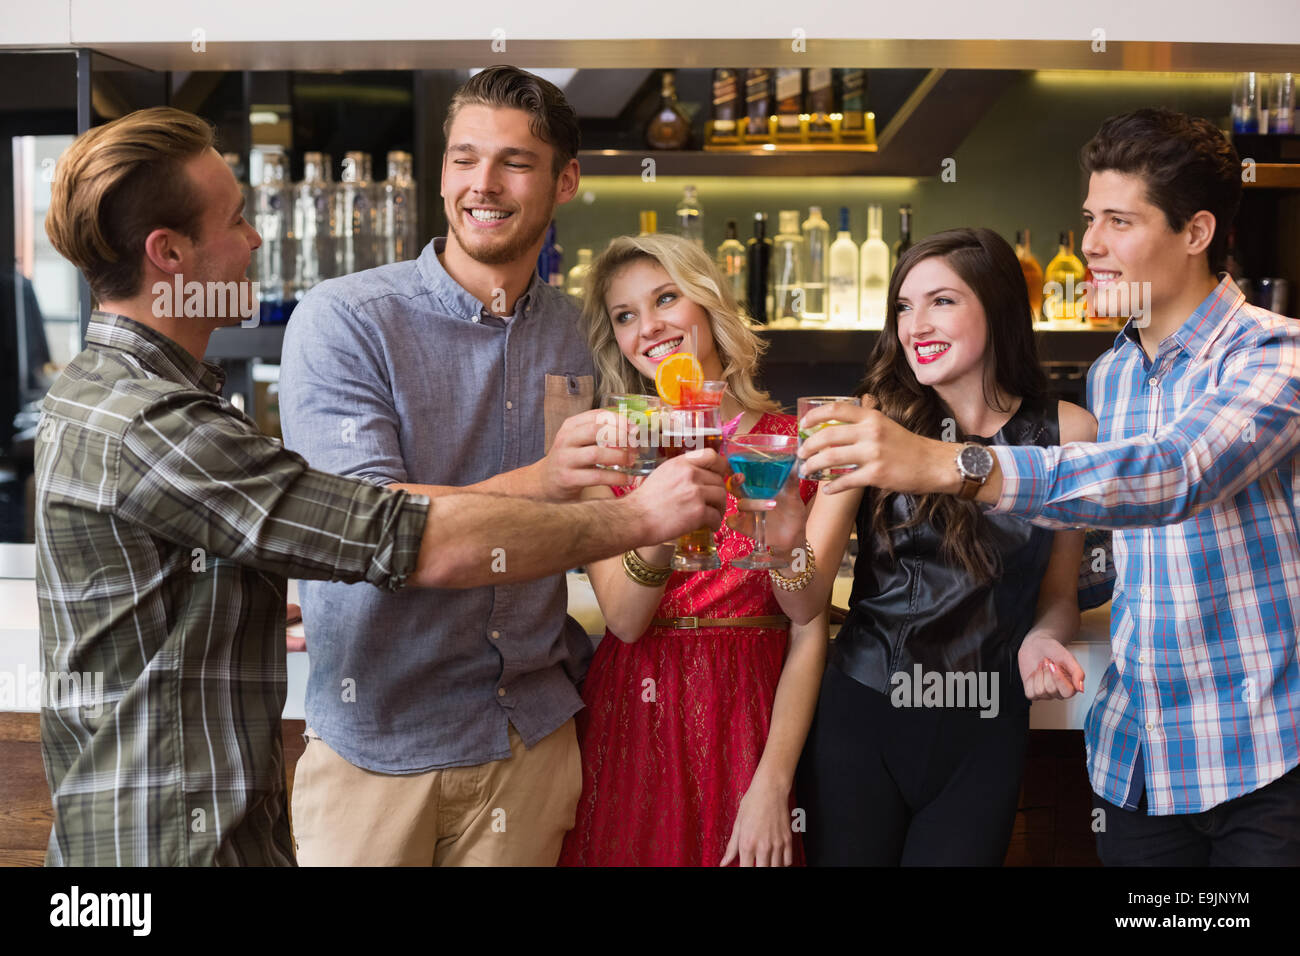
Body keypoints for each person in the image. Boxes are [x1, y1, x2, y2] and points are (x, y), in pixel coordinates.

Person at [35, 105, 728, 867]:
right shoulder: (158, 420)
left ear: (564, 181)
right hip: (164, 838)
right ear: (169, 253)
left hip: (267, 810)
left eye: (515, 162)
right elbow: (391, 535)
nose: (257, 241)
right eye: (236, 220)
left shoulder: (138, 399)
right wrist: (635, 518)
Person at [799, 109, 1300, 866]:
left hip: (1261, 758)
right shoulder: (1116, 372)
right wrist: (1042, 635)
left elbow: (1174, 475)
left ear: (1195, 233)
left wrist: (949, 464)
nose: (1090, 243)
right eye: (1089, 217)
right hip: (1139, 760)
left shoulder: (1274, 355)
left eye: (1118, 221)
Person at [279, 66, 661, 867]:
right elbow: (365, 523)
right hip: (377, 747)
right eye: (464, 158)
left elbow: (603, 517)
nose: (482, 185)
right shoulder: (345, 319)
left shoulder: (578, 334)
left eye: (515, 163)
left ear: (565, 182)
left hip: (529, 744)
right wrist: (549, 484)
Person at [765, 227, 1096, 865]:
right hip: (861, 717)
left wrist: (1044, 637)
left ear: (998, 307)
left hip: (986, 729)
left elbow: (1058, 595)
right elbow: (803, 603)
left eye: (941, 301)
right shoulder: (867, 420)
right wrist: (785, 547)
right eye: (904, 306)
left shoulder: (1067, 433)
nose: (916, 324)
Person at [557, 234, 827, 867]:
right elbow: (624, 620)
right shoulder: (609, 456)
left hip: (752, 711)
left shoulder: (795, 445)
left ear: (707, 304)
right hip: (638, 709)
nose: (648, 328)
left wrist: (772, 782)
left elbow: (807, 626)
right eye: (625, 317)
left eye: (666, 299)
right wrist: (663, 502)